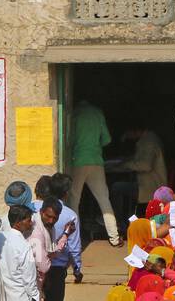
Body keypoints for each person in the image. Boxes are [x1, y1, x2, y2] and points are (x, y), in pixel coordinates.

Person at [67, 98, 121, 246]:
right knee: (104, 199)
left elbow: (69, 140)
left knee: (74, 200)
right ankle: (114, 238)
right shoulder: (98, 113)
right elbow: (107, 139)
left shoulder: (74, 114)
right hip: (96, 161)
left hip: (78, 160)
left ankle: (74, 239)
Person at [109, 125, 168, 216]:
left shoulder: (149, 142)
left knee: (116, 187)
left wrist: (125, 164)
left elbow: (145, 165)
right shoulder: (148, 139)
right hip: (147, 183)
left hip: (151, 187)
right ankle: (125, 217)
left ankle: (117, 218)